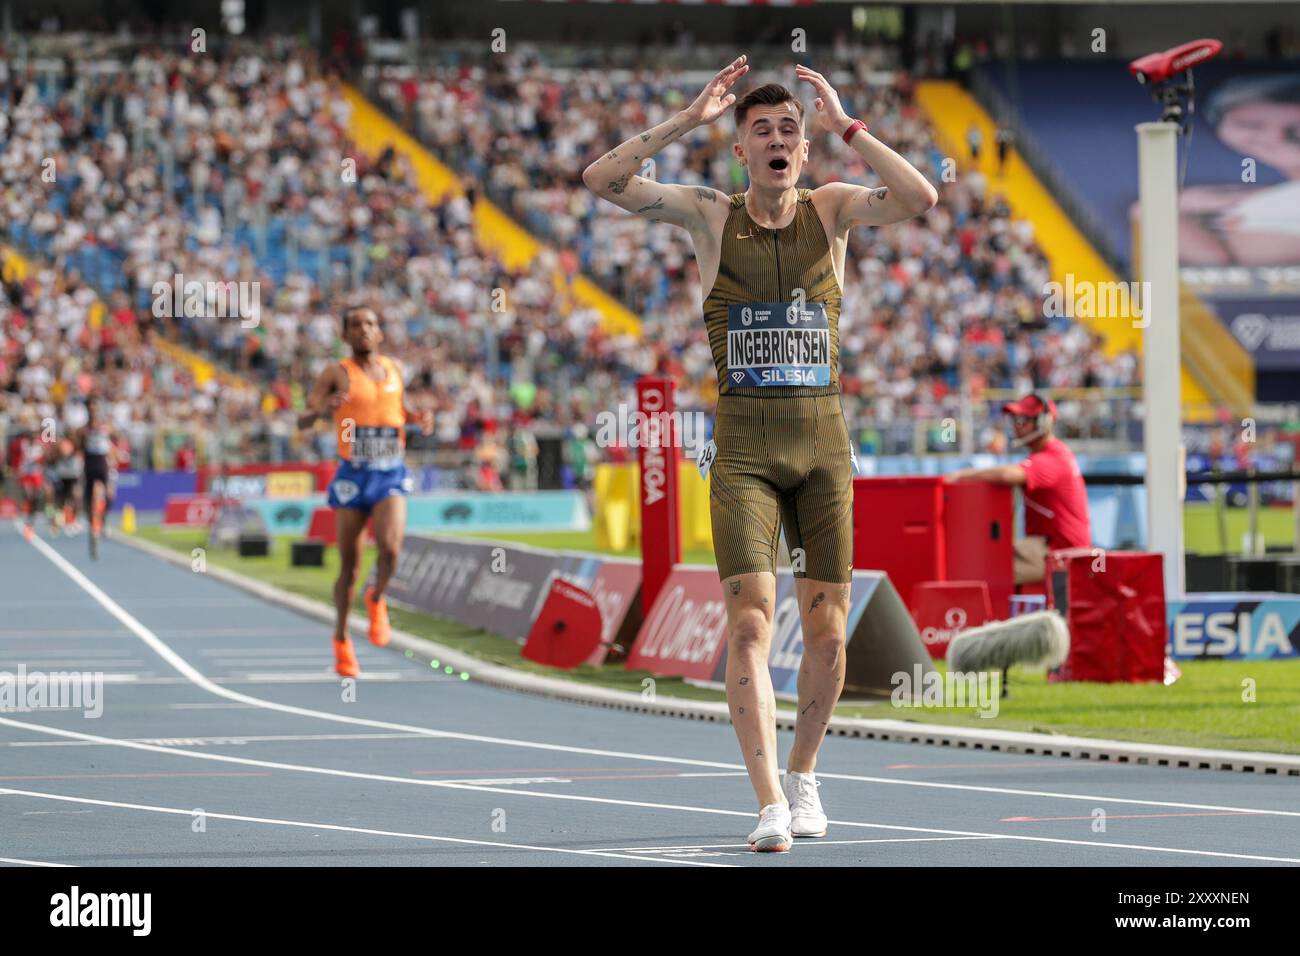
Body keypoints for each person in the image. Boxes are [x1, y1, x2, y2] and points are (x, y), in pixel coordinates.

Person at [583, 58, 937, 851]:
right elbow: (601, 177)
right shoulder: (711, 215)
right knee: (746, 626)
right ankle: (769, 800)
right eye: (761, 132)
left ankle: (807, 776)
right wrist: (688, 119)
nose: (777, 141)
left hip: (822, 446)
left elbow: (921, 198)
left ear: (803, 150)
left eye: (789, 131)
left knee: (829, 634)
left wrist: (848, 123)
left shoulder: (834, 209)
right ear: (741, 150)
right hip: (743, 450)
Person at [299, 306, 433, 677]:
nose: (364, 330)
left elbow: (401, 410)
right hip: (352, 475)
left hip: (390, 471)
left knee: (390, 551)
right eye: (356, 325)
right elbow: (303, 418)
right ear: (345, 335)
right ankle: (341, 640)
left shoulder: (395, 369)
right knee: (350, 566)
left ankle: (377, 597)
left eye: (370, 324)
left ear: (380, 333)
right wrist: (324, 410)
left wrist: (419, 419)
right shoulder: (336, 373)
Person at [946, 394, 1092, 585]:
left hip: (1061, 553)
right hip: (1053, 549)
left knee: (982, 566)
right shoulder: (1052, 454)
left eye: (1023, 420)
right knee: (983, 559)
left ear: (1044, 423)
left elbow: (1008, 475)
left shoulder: (1053, 457)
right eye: (1015, 420)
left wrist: (960, 476)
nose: (1016, 426)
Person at [77, 405, 117, 559]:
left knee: (109, 495)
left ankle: (104, 520)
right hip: (90, 466)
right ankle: (93, 533)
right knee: (89, 503)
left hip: (102, 464)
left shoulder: (106, 429)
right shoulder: (83, 431)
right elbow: (78, 444)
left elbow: (116, 438)